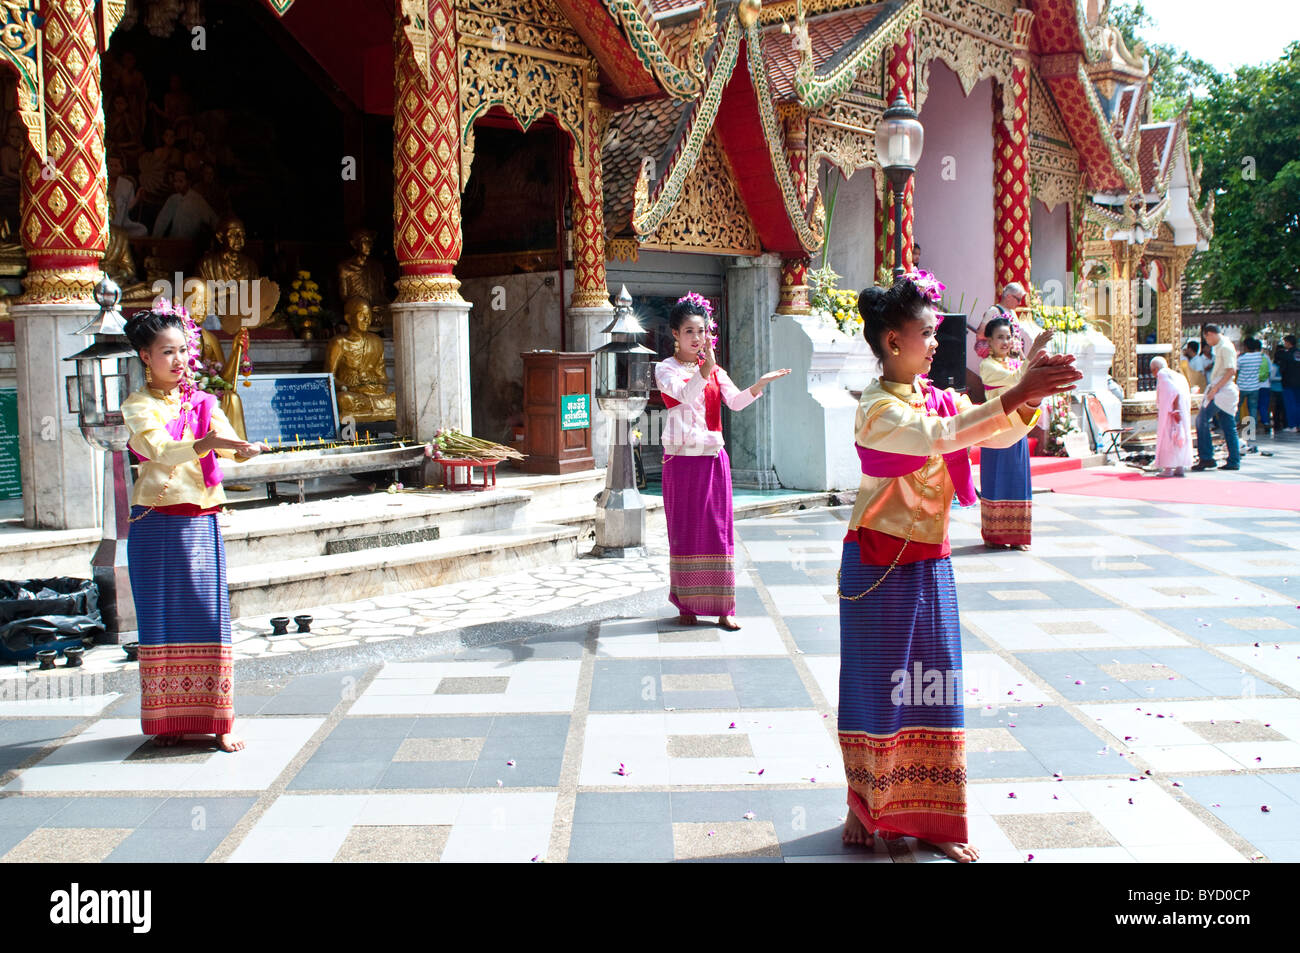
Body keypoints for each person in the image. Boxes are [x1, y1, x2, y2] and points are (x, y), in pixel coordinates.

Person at [839, 275, 1081, 862]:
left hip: (930, 564)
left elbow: (989, 433)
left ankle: (930, 819)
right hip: (879, 566)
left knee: (934, 688)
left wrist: (1028, 395)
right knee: (878, 691)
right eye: (927, 333)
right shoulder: (877, 410)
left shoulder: (934, 395)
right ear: (893, 342)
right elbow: (941, 437)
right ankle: (865, 806)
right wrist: (1016, 390)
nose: (935, 343)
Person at [122, 304, 268, 753]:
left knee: (209, 618)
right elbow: (162, 451)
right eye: (167, 352)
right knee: (161, 623)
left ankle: (220, 722)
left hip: (199, 522)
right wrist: (208, 443)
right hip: (155, 524)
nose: (179, 360)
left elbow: (227, 446)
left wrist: (244, 451)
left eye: (183, 350)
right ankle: (170, 723)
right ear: (146, 356)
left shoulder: (203, 400)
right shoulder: (137, 406)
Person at [655, 293, 790, 631]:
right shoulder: (665, 370)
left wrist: (759, 385)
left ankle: (724, 608)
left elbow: (736, 402)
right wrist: (706, 369)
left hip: (713, 460)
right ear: (675, 333)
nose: (696, 337)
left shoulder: (715, 371)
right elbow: (684, 396)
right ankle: (687, 604)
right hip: (680, 462)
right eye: (688, 331)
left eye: (700, 330)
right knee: (684, 532)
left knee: (719, 532)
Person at [977, 317, 1052, 550]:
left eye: (1008, 337)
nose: (1005, 341)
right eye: (1000, 337)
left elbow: (1023, 375)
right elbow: (1015, 379)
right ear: (988, 341)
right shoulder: (987, 366)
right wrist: (1034, 350)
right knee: (995, 479)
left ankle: (1018, 535)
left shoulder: (1014, 362)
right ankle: (994, 534)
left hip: (1016, 426)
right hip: (996, 428)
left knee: (1018, 479)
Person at [1192, 324, 1241, 470]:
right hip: (1220, 388)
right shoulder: (1221, 346)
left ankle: (1207, 457)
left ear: (1210, 334)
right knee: (1228, 425)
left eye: (1206, 338)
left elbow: (1231, 371)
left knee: (1202, 420)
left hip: (1222, 390)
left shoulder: (1225, 347)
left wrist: (1215, 389)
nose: (1207, 342)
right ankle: (1233, 460)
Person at [1151, 355, 1192, 477]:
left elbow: (1174, 392)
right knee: (1179, 437)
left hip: (1172, 413)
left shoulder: (1162, 374)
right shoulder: (1177, 375)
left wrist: (1175, 410)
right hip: (1181, 412)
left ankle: (1168, 469)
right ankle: (1180, 467)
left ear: (1155, 369)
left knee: (1169, 438)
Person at [152, 168, 218, 241]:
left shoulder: (197, 199)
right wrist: (155, 239)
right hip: (174, 241)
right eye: (175, 181)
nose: (177, 184)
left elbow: (212, 219)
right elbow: (162, 220)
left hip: (191, 243)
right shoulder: (173, 199)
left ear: (188, 182)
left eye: (180, 181)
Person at [974, 282, 1030, 360]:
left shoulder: (1012, 312)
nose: (1020, 303)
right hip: (998, 360)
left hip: (1011, 359)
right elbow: (980, 334)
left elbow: (1015, 337)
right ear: (1009, 297)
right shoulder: (994, 311)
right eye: (1018, 299)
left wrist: (1022, 358)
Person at [1236, 337, 1265, 450]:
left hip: (1242, 386)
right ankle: (1251, 429)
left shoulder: (1242, 359)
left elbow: (1236, 369)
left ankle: (1236, 424)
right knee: (1252, 408)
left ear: (1246, 347)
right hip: (1254, 387)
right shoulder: (1259, 357)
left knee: (1237, 407)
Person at [1280, 335, 1300, 433]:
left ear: (1288, 342)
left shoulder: (1286, 355)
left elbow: (1282, 369)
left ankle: (1292, 425)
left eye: (1285, 342)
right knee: (1298, 404)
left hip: (1288, 383)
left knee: (1290, 405)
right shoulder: (1298, 353)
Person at [1268, 343, 1287, 433]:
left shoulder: (1279, 366)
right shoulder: (1275, 367)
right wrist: (1282, 378)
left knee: (1279, 408)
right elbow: (1271, 377)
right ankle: (1278, 423)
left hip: (1279, 389)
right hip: (1276, 389)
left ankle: (1279, 423)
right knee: (1279, 408)